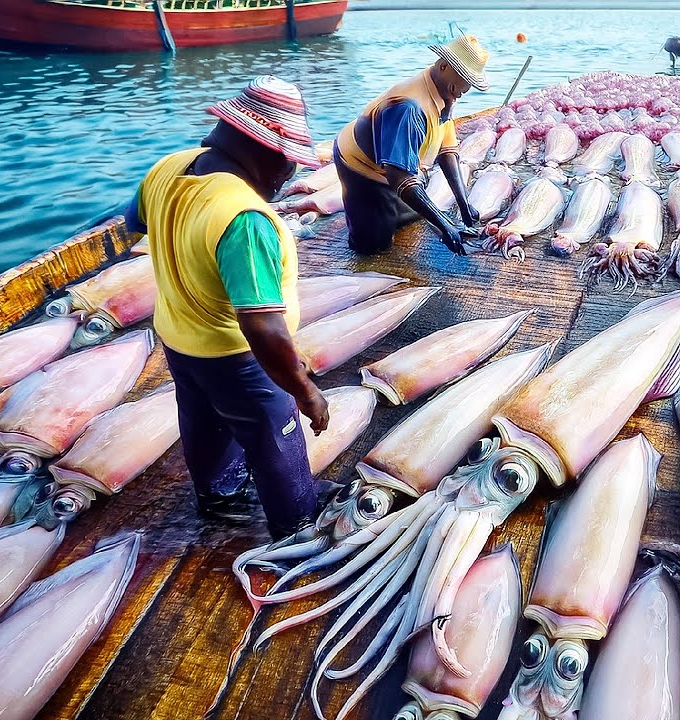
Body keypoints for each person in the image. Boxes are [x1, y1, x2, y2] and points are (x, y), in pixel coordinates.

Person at [124, 76, 329, 540]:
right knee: (275, 434)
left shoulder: (169, 167)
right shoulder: (244, 217)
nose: (288, 176)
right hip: (236, 357)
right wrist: (302, 389)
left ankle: (219, 496)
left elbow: (134, 220)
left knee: (201, 419)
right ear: (262, 148)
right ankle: (295, 525)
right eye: (287, 162)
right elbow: (263, 327)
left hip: (178, 339)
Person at [333, 35, 491, 257]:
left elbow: (447, 151)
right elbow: (401, 179)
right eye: (465, 79)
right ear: (444, 66)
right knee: (373, 246)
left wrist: (463, 203)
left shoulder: (446, 92)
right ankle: (366, 222)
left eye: (470, 82)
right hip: (361, 164)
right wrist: (446, 226)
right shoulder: (407, 108)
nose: (466, 89)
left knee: (413, 214)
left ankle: (389, 208)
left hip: (397, 162)